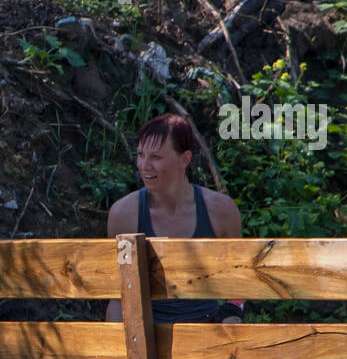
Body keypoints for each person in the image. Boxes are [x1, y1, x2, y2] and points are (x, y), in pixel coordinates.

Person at [105, 114, 246, 324]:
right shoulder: (124, 215)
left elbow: (241, 279)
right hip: (145, 338)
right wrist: (115, 346)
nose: (144, 165)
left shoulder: (220, 211)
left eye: (156, 157)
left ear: (184, 159)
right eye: (140, 155)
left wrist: (232, 315)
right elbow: (118, 294)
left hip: (207, 333)